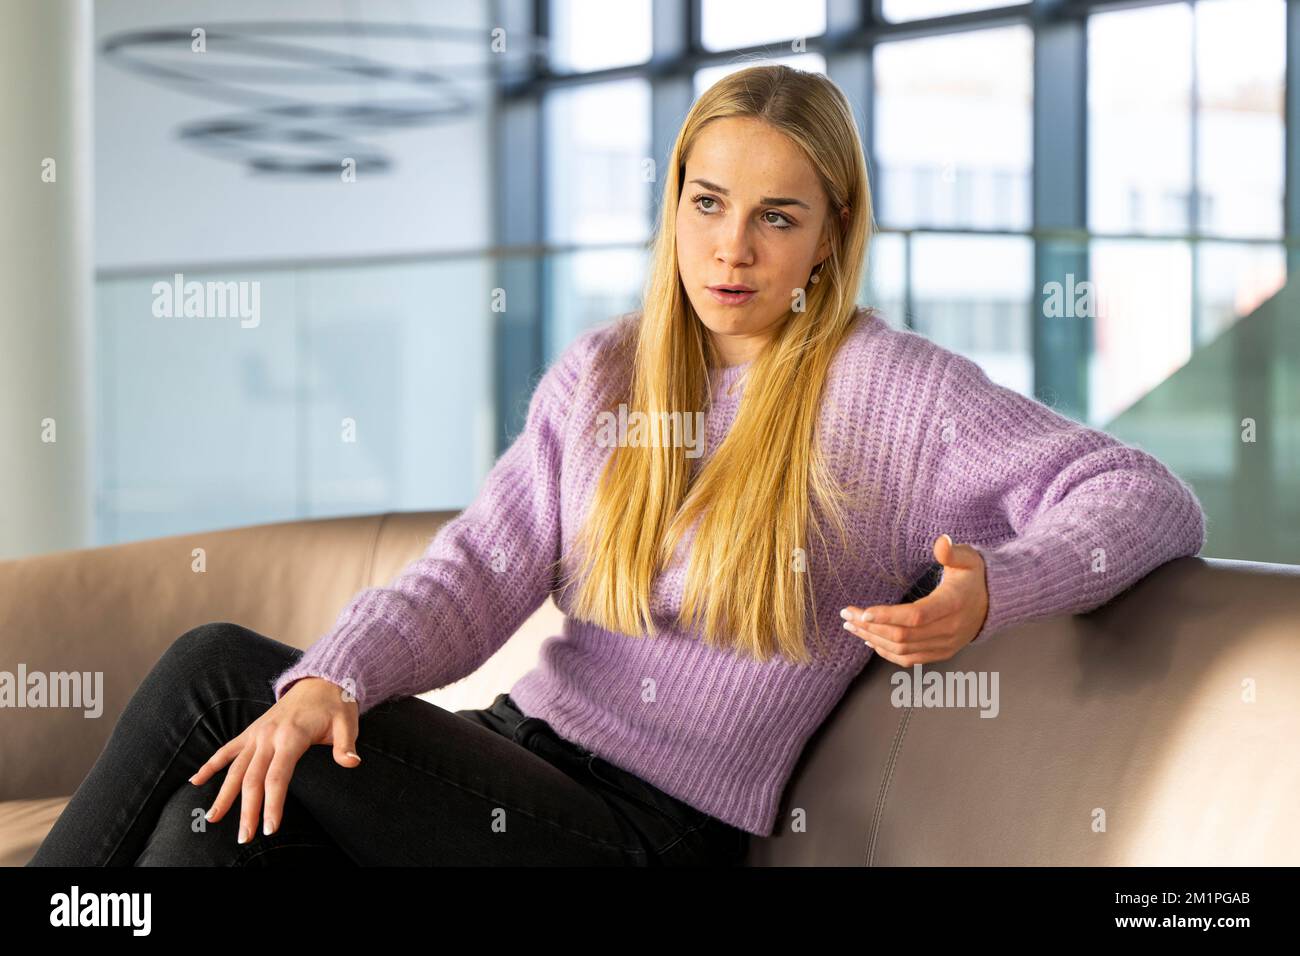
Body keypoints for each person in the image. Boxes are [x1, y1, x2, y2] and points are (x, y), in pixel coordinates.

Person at [27, 64, 1205, 867]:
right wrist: (337, 676)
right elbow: (471, 571)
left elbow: (1142, 494)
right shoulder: (605, 371)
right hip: (515, 755)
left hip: (645, 831)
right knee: (215, 824)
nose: (731, 247)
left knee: (219, 670)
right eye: (707, 203)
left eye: (777, 217)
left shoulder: (890, 391)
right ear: (673, 208)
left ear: (831, 235)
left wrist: (994, 587)